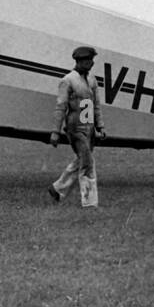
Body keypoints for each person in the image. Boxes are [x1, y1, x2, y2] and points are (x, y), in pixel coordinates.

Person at [49, 45, 106, 207]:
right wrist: (55, 131)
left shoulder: (92, 80)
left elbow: (96, 106)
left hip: (89, 128)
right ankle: (89, 202)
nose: (92, 63)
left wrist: (100, 126)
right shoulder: (67, 80)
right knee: (87, 163)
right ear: (80, 61)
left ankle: (57, 188)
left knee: (82, 160)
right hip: (76, 129)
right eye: (89, 60)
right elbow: (61, 107)